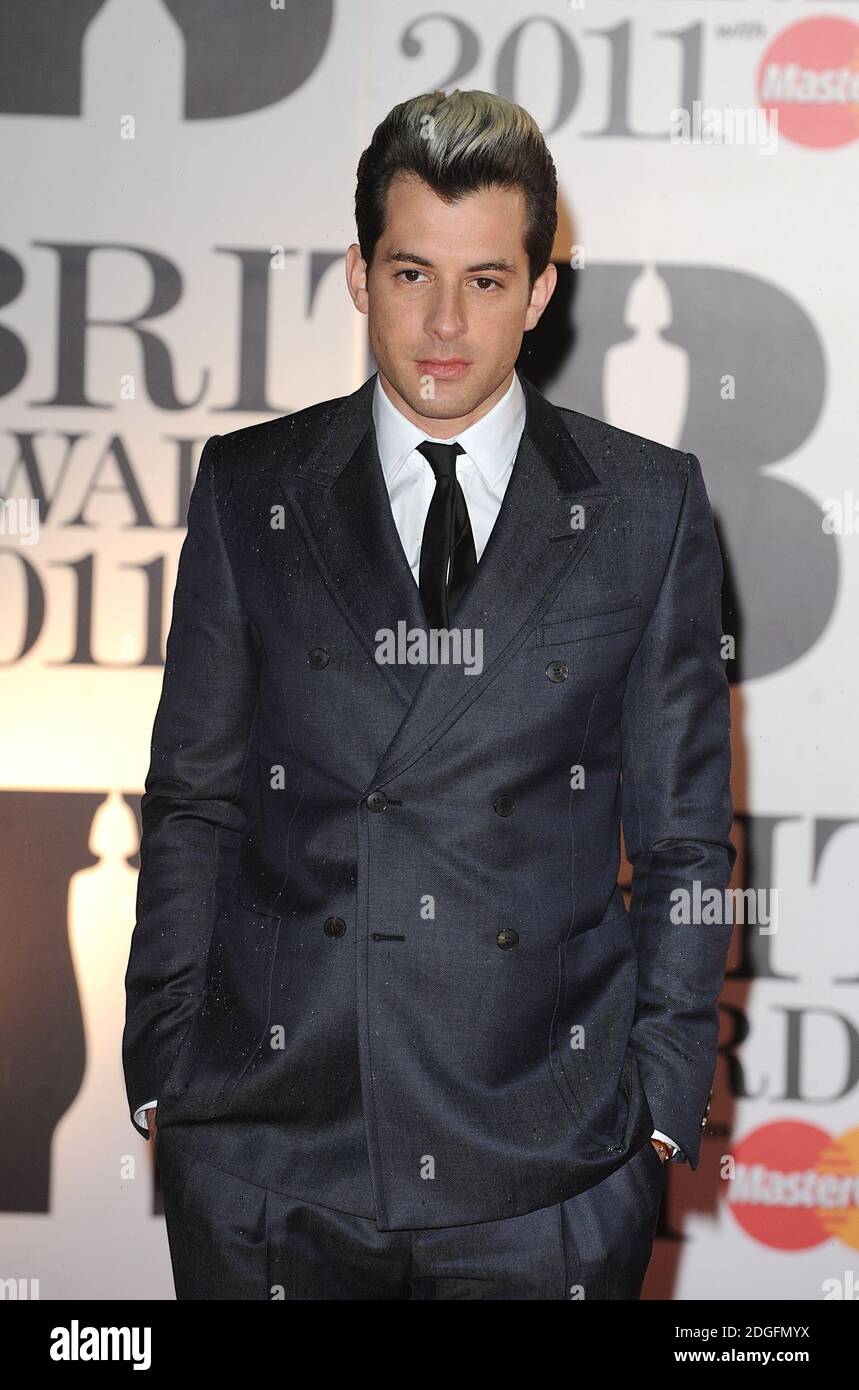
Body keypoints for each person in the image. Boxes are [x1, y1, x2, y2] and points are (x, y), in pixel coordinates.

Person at [123, 88, 736, 1300]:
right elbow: (194, 798)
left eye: (488, 280)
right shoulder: (253, 487)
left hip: (542, 1163)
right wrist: (165, 1067)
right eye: (411, 274)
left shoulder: (644, 506)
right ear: (358, 274)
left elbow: (682, 839)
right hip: (270, 1147)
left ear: (540, 291)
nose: (445, 322)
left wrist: (660, 1101)